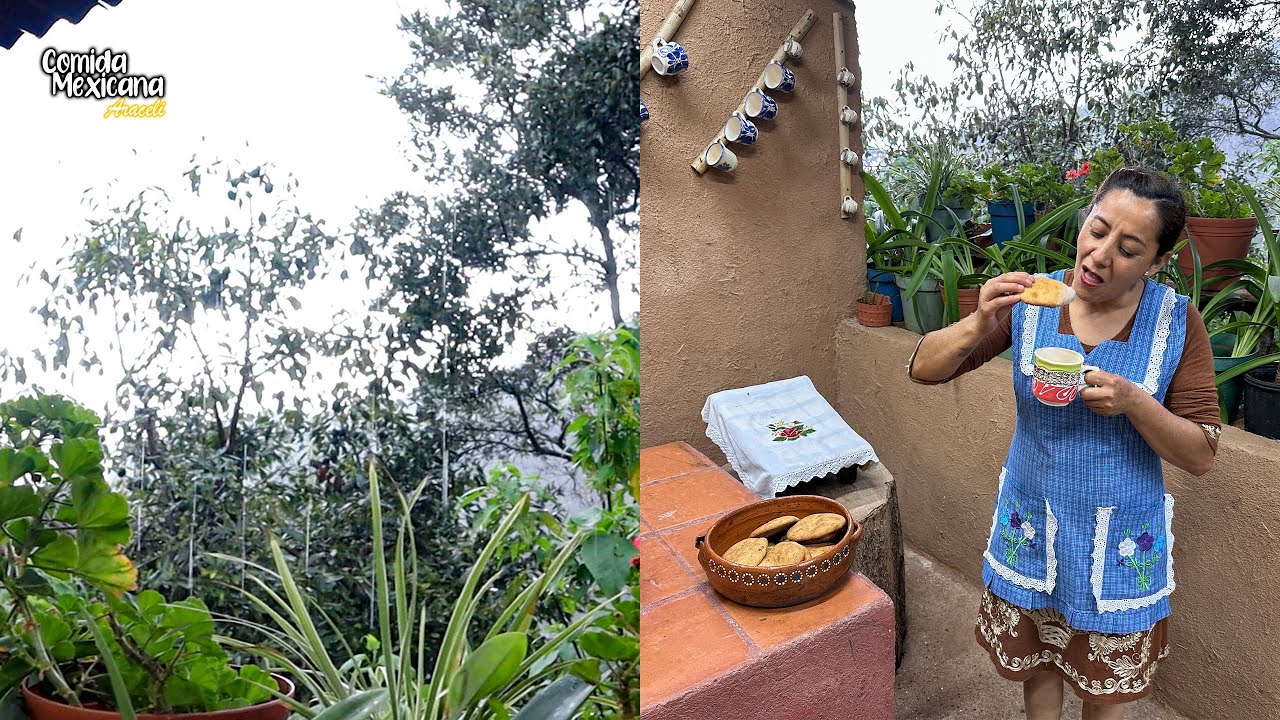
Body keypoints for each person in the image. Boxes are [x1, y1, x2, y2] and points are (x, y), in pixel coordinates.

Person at [908, 167, 1220, 720]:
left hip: (1117, 543)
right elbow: (924, 370)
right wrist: (979, 322)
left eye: (1128, 249)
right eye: (1096, 232)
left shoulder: (1176, 323)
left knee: (1103, 689)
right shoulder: (1033, 301)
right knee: (1041, 666)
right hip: (1034, 527)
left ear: (1158, 261)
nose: (1100, 257)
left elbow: (1199, 454)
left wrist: (1137, 404)